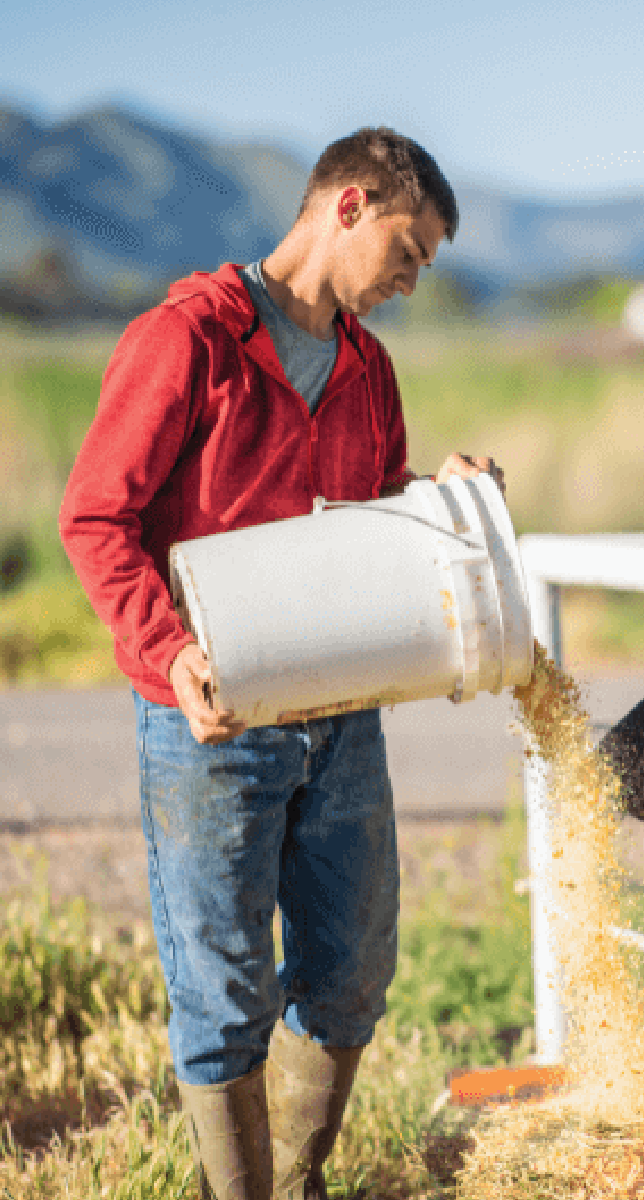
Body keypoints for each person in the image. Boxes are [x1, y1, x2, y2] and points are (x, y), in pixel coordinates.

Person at [59, 128, 501, 1200]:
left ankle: (296, 1181)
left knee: (351, 974)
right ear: (349, 205)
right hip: (209, 722)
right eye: (409, 246)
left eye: (427, 262)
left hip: (343, 716)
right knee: (222, 990)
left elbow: (364, 522)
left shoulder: (368, 368)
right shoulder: (188, 342)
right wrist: (171, 659)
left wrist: (437, 501)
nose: (414, 275)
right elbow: (95, 520)